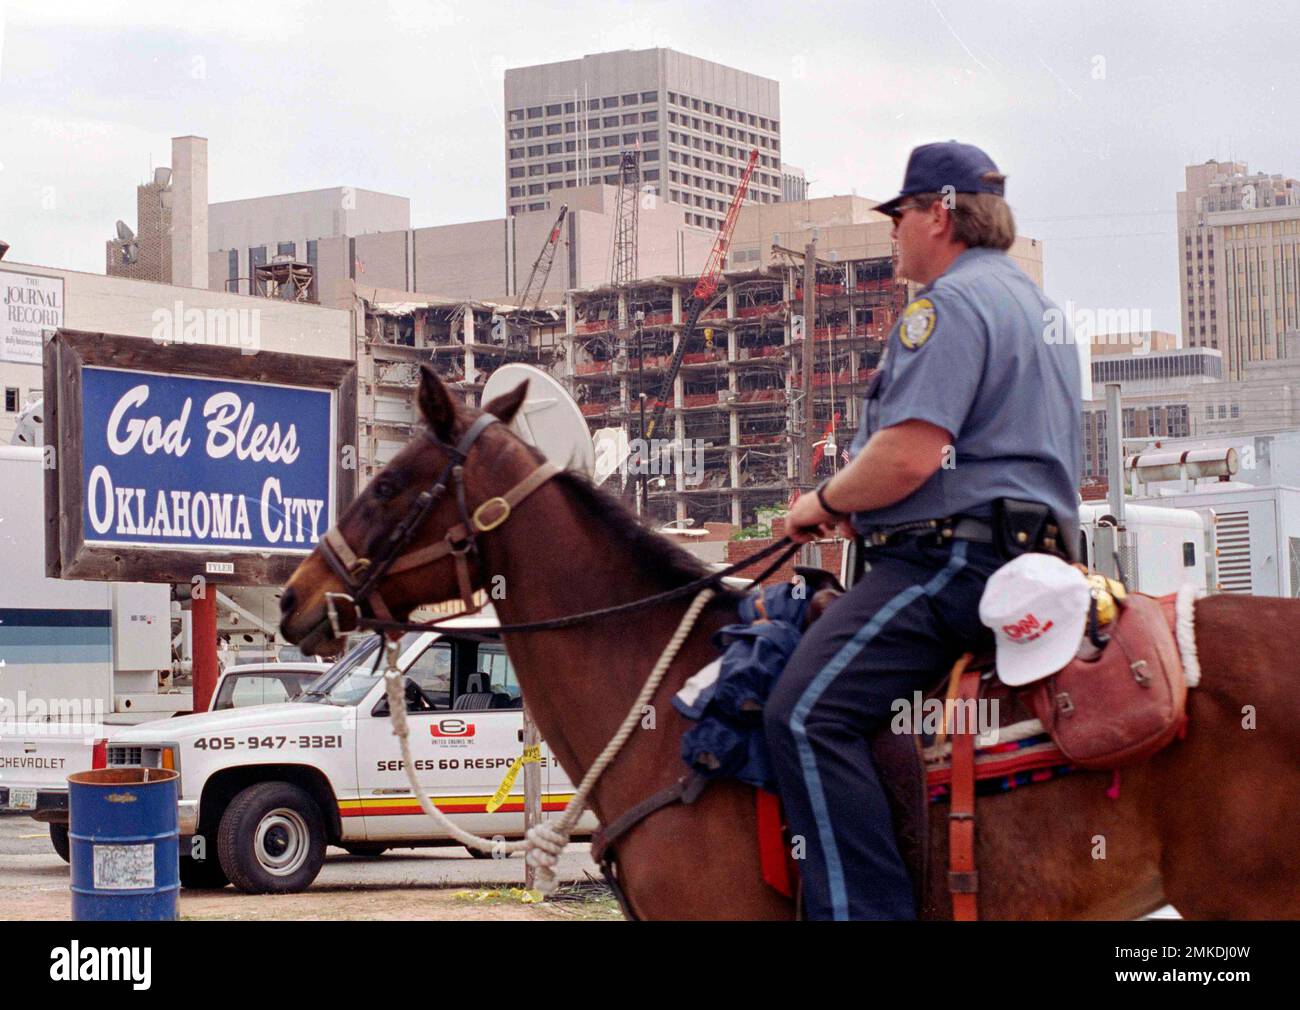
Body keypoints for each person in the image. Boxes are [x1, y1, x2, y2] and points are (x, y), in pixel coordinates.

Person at [763, 141, 1083, 920]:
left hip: (953, 561)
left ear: (939, 213)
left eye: (899, 214)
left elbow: (908, 455)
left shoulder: (945, 308)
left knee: (804, 714)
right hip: (1037, 558)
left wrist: (823, 503)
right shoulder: (1040, 308)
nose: (893, 233)